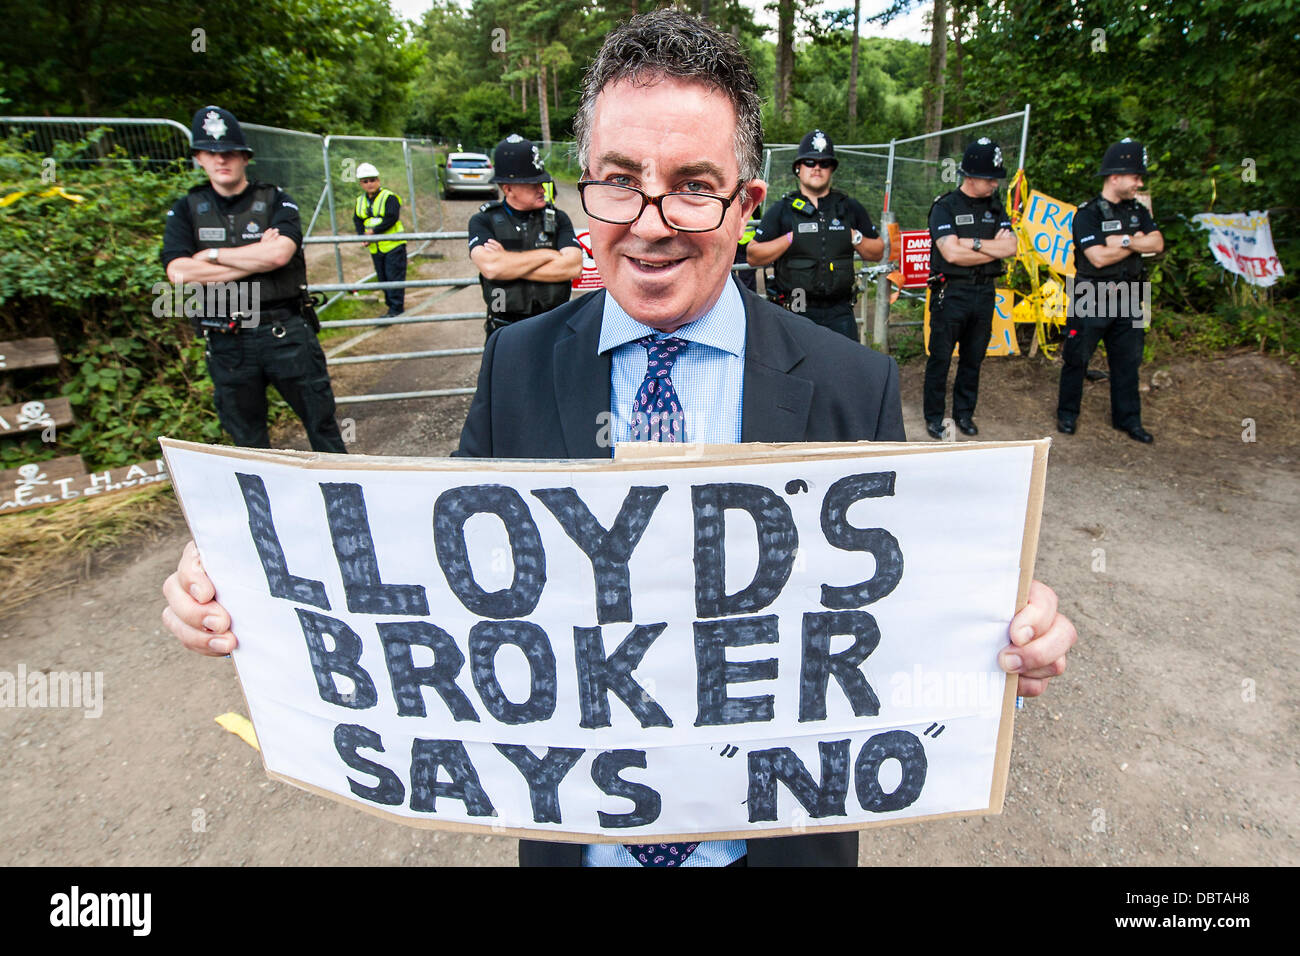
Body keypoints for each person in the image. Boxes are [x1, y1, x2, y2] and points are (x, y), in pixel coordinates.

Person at [162, 11, 1077, 868]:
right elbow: (427, 568)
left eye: (693, 189)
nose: (647, 223)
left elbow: (900, 598)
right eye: (619, 180)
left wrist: (1000, 617)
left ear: (747, 202)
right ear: (585, 187)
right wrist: (247, 581)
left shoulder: (853, 384)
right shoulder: (516, 366)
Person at [161, 106, 346, 453]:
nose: (221, 160)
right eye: (211, 153)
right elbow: (180, 273)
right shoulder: (186, 209)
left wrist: (212, 256)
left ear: (245, 157)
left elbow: (279, 255)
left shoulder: (276, 200)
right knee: (247, 444)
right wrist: (254, 259)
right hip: (226, 340)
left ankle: (344, 502)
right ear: (199, 157)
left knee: (323, 428)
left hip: (283, 332)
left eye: (230, 152)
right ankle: (263, 506)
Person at [1057, 139, 1163, 443]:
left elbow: (1157, 244)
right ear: (1115, 177)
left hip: (1132, 294)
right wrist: (1135, 242)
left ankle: (1128, 420)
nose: (1139, 183)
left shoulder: (1138, 211)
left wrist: (1123, 241)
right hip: (1092, 292)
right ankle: (1067, 414)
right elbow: (1097, 257)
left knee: (1129, 361)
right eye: (1136, 177)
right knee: (1077, 357)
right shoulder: (1087, 213)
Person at [745, 130, 884, 341]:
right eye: (810, 162)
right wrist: (792, 238)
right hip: (796, 309)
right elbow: (753, 255)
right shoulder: (783, 209)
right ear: (798, 168)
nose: (817, 167)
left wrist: (854, 236)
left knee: (845, 372)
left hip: (840, 311)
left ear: (832, 169)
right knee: (799, 372)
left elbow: (877, 251)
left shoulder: (848, 207)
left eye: (824, 163)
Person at [922, 138, 1017, 440]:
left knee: (974, 358)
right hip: (951, 293)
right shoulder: (945, 207)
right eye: (990, 178)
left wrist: (972, 243)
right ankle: (935, 416)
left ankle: (964, 413)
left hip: (984, 292)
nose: (994, 184)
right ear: (971, 176)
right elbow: (950, 253)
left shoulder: (995, 207)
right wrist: (992, 248)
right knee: (940, 358)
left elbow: (1011, 247)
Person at [467, 135, 582, 341]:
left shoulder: (558, 219)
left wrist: (509, 265)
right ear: (508, 188)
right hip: (505, 330)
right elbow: (492, 268)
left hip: (553, 328)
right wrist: (550, 254)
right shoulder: (484, 221)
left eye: (541, 182)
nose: (541, 189)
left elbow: (572, 267)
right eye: (532, 184)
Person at [352, 163, 406, 318]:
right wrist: (362, 236)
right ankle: (391, 306)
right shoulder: (360, 200)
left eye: (372, 180)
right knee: (382, 277)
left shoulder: (389, 197)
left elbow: (392, 217)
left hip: (393, 245)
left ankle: (396, 308)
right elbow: (357, 219)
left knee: (393, 276)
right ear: (361, 183)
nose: (369, 184)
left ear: (378, 180)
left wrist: (373, 232)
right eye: (365, 181)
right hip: (376, 247)